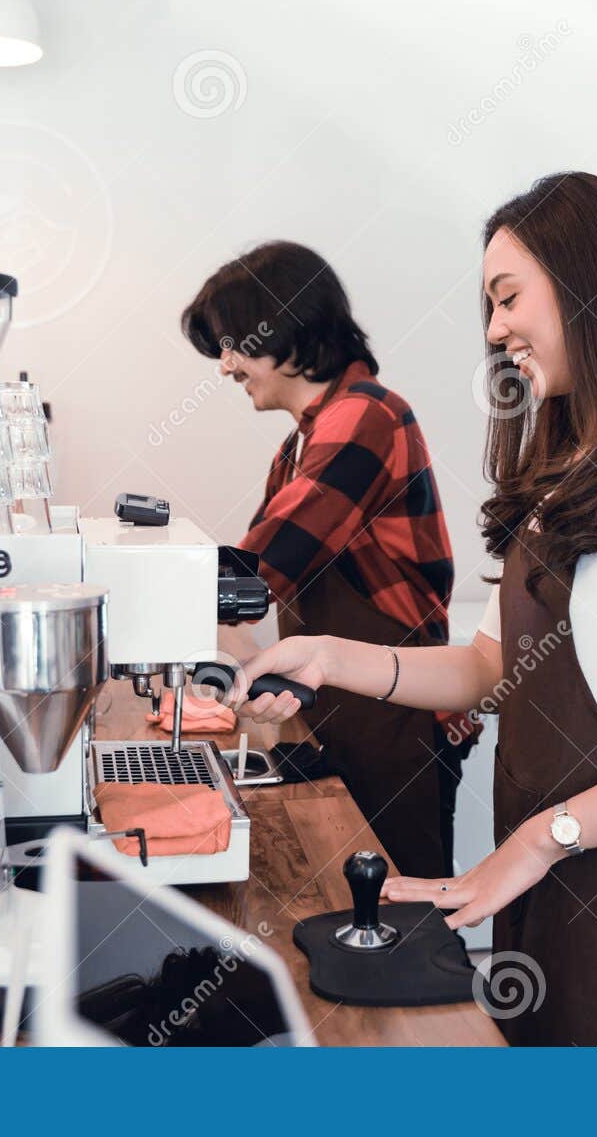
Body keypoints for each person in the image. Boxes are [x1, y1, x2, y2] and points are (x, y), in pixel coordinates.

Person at [227, 174, 597, 1047]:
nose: (494, 330)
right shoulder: (567, 467)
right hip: (542, 876)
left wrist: (541, 840)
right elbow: (487, 668)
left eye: (508, 298)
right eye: (488, 306)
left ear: (592, 284)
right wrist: (328, 658)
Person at [181, 241, 477, 879]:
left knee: (409, 925)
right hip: (348, 713)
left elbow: (253, 576)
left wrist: (144, 589)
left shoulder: (365, 417)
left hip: (399, 722)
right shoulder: (301, 444)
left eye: (233, 343)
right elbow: (249, 589)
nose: (227, 364)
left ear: (286, 327)